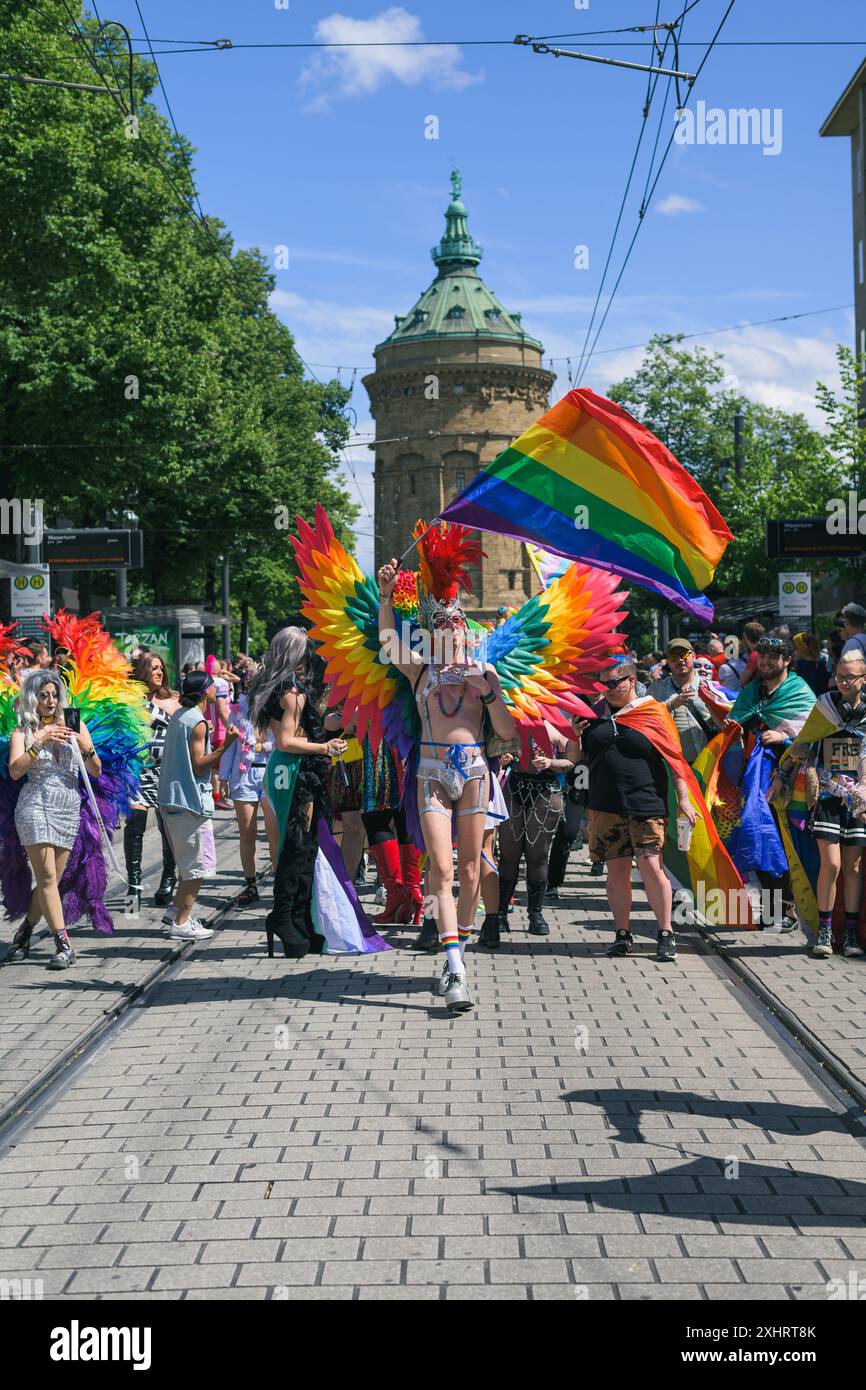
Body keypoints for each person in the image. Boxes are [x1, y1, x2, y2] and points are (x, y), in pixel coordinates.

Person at [377, 533, 517, 1014]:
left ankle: (459, 938)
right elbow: (388, 641)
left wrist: (493, 692)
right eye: (443, 634)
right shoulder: (420, 673)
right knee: (441, 867)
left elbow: (508, 734)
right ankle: (454, 963)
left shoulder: (484, 673)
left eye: (457, 634)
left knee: (473, 869)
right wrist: (385, 596)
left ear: (466, 635)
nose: (451, 642)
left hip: (475, 772)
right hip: (432, 774)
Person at [249, 626, 387, 960]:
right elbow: (285, 741)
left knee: (303, 848)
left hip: (290, 771)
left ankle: (295, 921)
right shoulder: (290, 691)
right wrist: (325, 747)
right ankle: (285, 918)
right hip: (295, 771)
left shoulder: (281, 687)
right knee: (298, 848)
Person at [571, 659, 696, 963]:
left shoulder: (653, 711)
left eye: (614, 683)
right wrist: (574, 735)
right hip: (604, 803)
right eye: (604, 683)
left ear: (631, 680)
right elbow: (576, 760)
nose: (608, 689)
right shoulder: (591, 717)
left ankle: (665, 932)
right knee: (617, 870)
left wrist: (684, 799)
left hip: (646, 801)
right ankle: (622, 934)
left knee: (651, 865)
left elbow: (676, 760)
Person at [771, 650, 866, 959]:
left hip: (858, 800)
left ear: (863, 679)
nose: (843, 682)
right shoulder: (825, 706)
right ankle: (824, 930)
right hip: (825, 795)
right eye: (839, 676)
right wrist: (781, 775)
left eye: (850, 677)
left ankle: (850, 933)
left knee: (853, 867)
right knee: (833, 864)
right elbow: (803, 743)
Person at [6, 668, 102, 969]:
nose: (50, 700)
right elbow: (15, 770)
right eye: (44, 695)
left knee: (53, 882)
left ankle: (24, 931)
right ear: (34, 698)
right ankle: (63, 944)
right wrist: (42, 740)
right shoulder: (23, 731)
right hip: (35, 805)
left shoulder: (75, 724)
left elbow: (96, 770)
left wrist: (85, 748)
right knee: (46, 878)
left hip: (68, 807)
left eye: (54, 695)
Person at [728, 634, 816, 931]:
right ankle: (771, 907)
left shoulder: (799, 690)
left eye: (772, 657)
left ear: (787, 661)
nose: (765, 661)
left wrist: (783, 735)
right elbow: (736, 721)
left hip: (792, 776)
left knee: (784, 838)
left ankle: (787, 910)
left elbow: (814, 729)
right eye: (762, 656)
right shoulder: (752, 690)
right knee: (759, 833)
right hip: (755, 777)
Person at [157, 671, 240, 941]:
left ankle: (177, 912)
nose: (217, 689)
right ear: (205, 693)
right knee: (198, 866)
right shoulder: (198, 722)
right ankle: (182, 923)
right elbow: (199, 763)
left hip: (173, 799)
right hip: (189, 802)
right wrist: (226, 746)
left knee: (187, 863)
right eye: (213, 686)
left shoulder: (180, 715)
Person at [493, 724, 575, 942]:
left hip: (546, 791)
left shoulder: (554, 726)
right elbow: (493, 752)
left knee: (537, 855)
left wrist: (551, 762)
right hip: (515, 787)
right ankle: (500, 914)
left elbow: (572, 759)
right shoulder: (509, 721)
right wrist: (502, 759)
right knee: (508, 854)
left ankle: (535, 914)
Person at [124, 653, 181, 914]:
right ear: (141, 672)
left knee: (167, 827)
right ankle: (133, 886)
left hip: (167, 770)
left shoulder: (173, 701)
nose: (158, 672)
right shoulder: (128, 701)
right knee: (134, 825)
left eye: (160, 668)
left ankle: (168, 879)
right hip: (137, 771)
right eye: (152, 668)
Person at [218, 690, 278, 906]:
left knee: (274, 832)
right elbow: (230, 746)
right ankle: (250, 884)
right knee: (247, 832)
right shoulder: (238, 712)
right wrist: (223, 778)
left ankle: (279, 884)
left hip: (272, 775)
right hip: (243, 777)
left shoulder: (278, 708)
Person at [649, 638, 725, 765]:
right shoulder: (656, 690)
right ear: (668, 661)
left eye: (684, 655)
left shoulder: (712, 688)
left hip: (708, 763)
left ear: (693, 656)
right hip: (672, 764)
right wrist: (671, 705)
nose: (680, 660)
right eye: (674, 657)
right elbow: (648, 719)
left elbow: (726, 724)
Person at [204, 655, 232, 809]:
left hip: (209, 729)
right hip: (220, 730)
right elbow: (222, 710)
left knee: (214, 766)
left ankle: (216, 797)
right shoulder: (220, 683)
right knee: (218, 767)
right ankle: (218, 798)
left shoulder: (205, 682)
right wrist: (232, 728)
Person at [793, 632, 830, 697]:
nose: (793, 651)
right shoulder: (823, 663)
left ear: (801, 649)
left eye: (795, 648)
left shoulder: (800, 666)